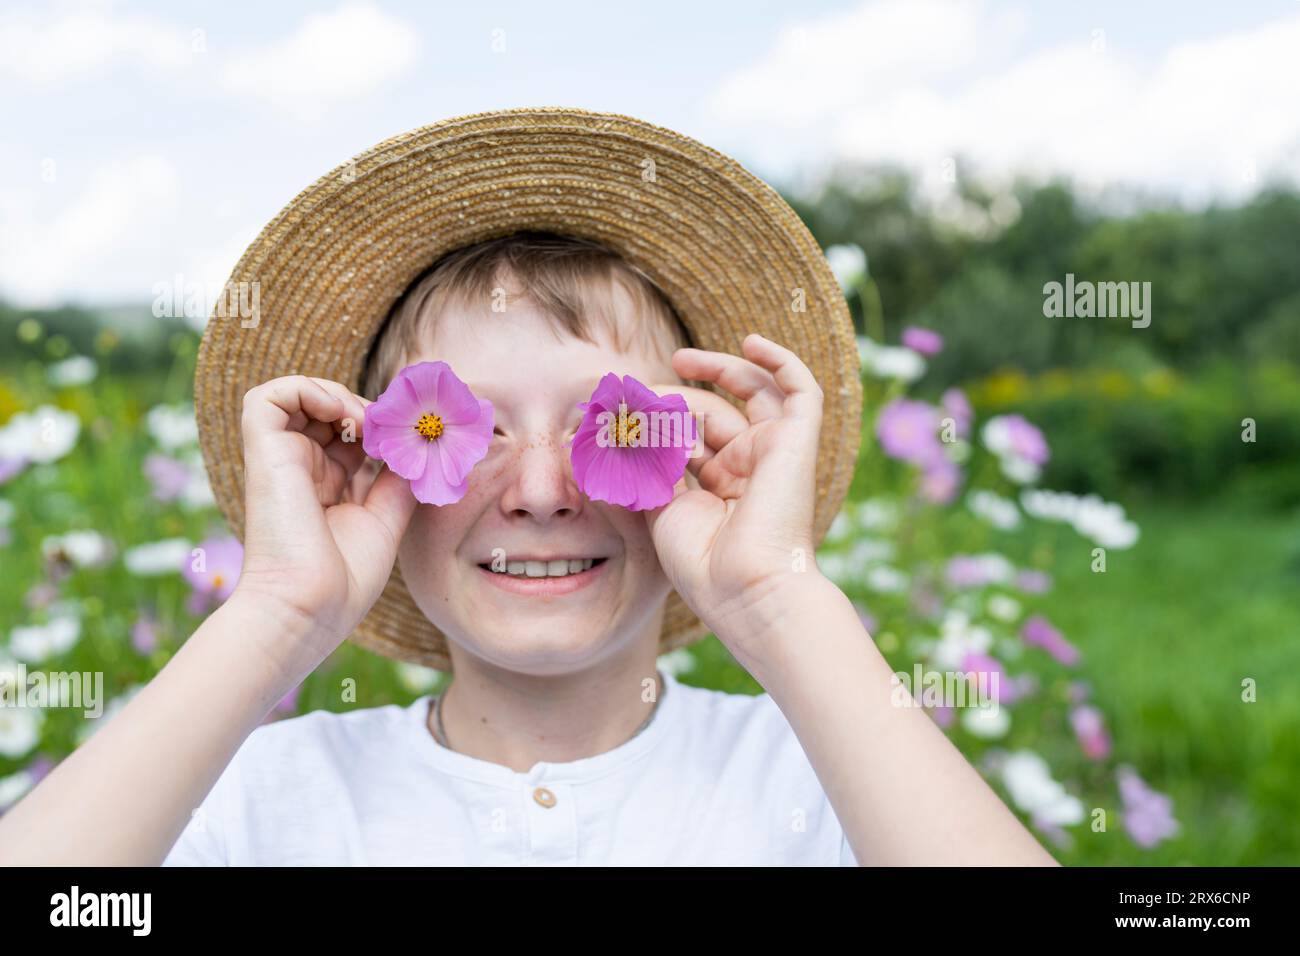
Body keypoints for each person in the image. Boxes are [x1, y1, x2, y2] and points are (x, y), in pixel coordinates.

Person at [0, 110, 1054, 866]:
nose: (543, 488)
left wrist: (778, 598)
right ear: (374, 463)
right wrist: (277, 611)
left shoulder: (824, 783)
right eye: (464, 423)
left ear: (695, 457)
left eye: (615, 422)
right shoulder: (257, 798)